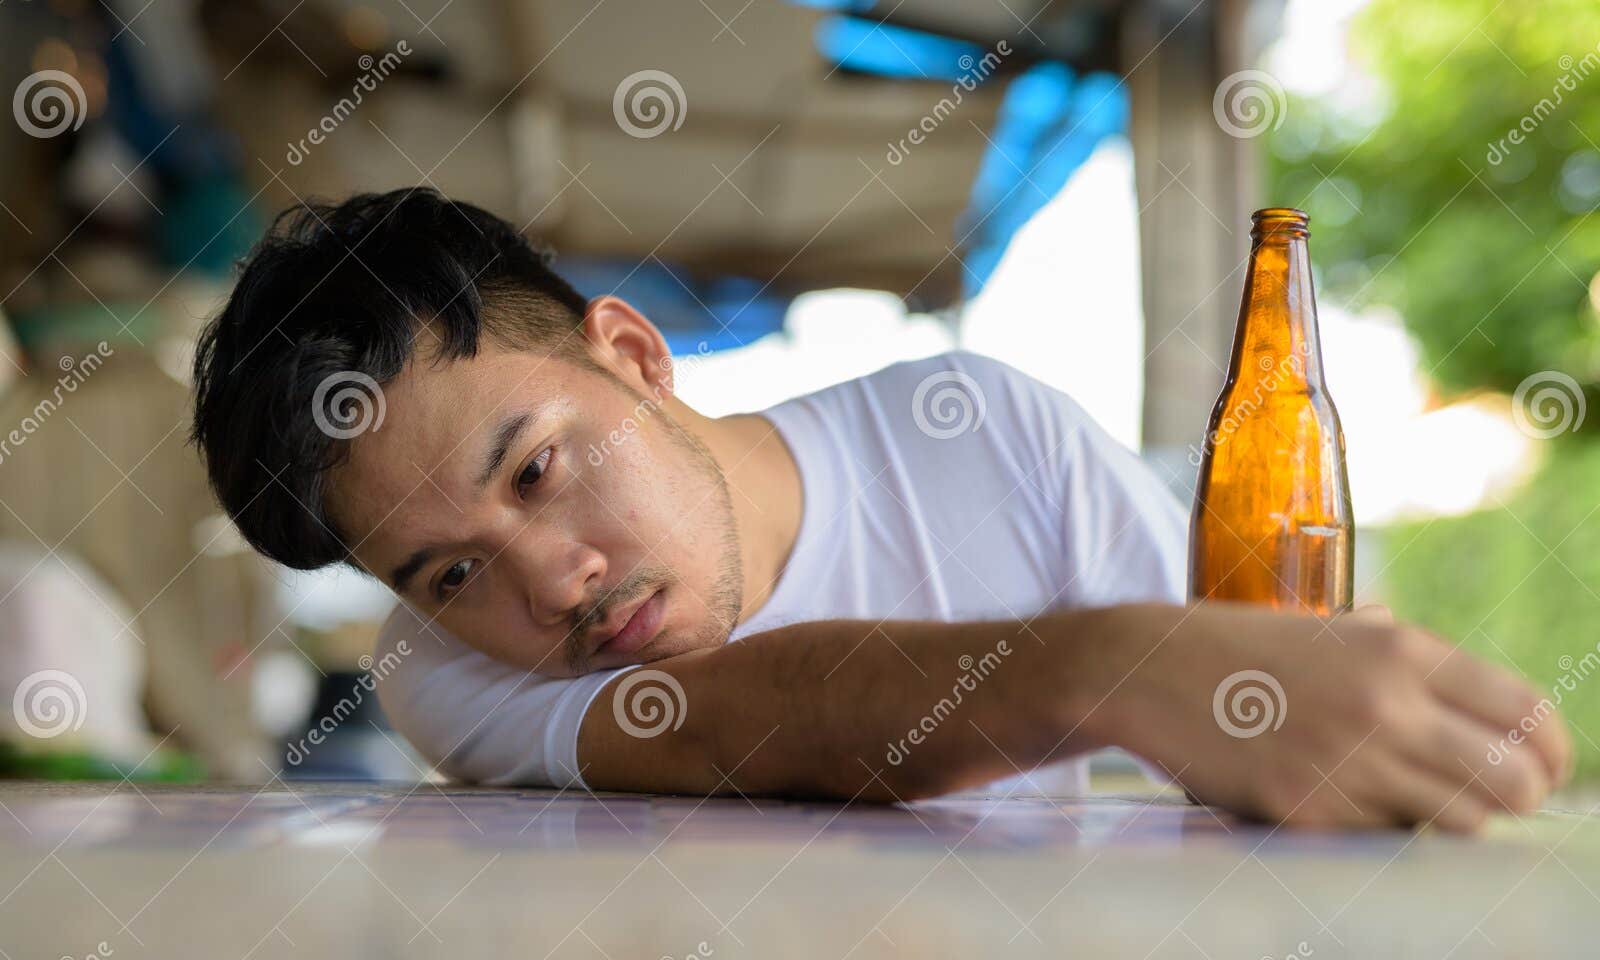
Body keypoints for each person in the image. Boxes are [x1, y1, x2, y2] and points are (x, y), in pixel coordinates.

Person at [190, 187, 1571, 832]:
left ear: (635, 353)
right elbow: (754, 717)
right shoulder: (441, 668)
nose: (550, 586)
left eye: (539, 468)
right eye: (448, 569)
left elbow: (1246, 723)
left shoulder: (982, 433)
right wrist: (1103, 663)